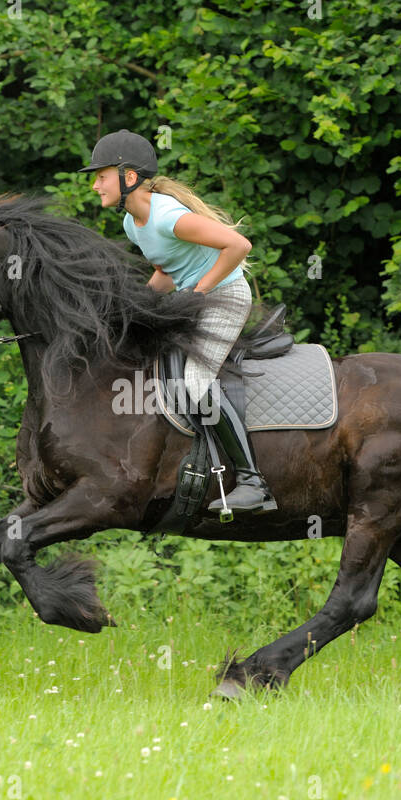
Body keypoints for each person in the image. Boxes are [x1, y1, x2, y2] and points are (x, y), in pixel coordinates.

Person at [79, 129, 277, 516]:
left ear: (128, 177)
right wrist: (132, 307)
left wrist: (199, 291)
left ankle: (254, 482)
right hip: (192, 301)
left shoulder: (169, 216)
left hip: (225, 297)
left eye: (101, 176)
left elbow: (238, 246)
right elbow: (167, 274)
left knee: (195, 383)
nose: (94, 185)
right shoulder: (132, 225)